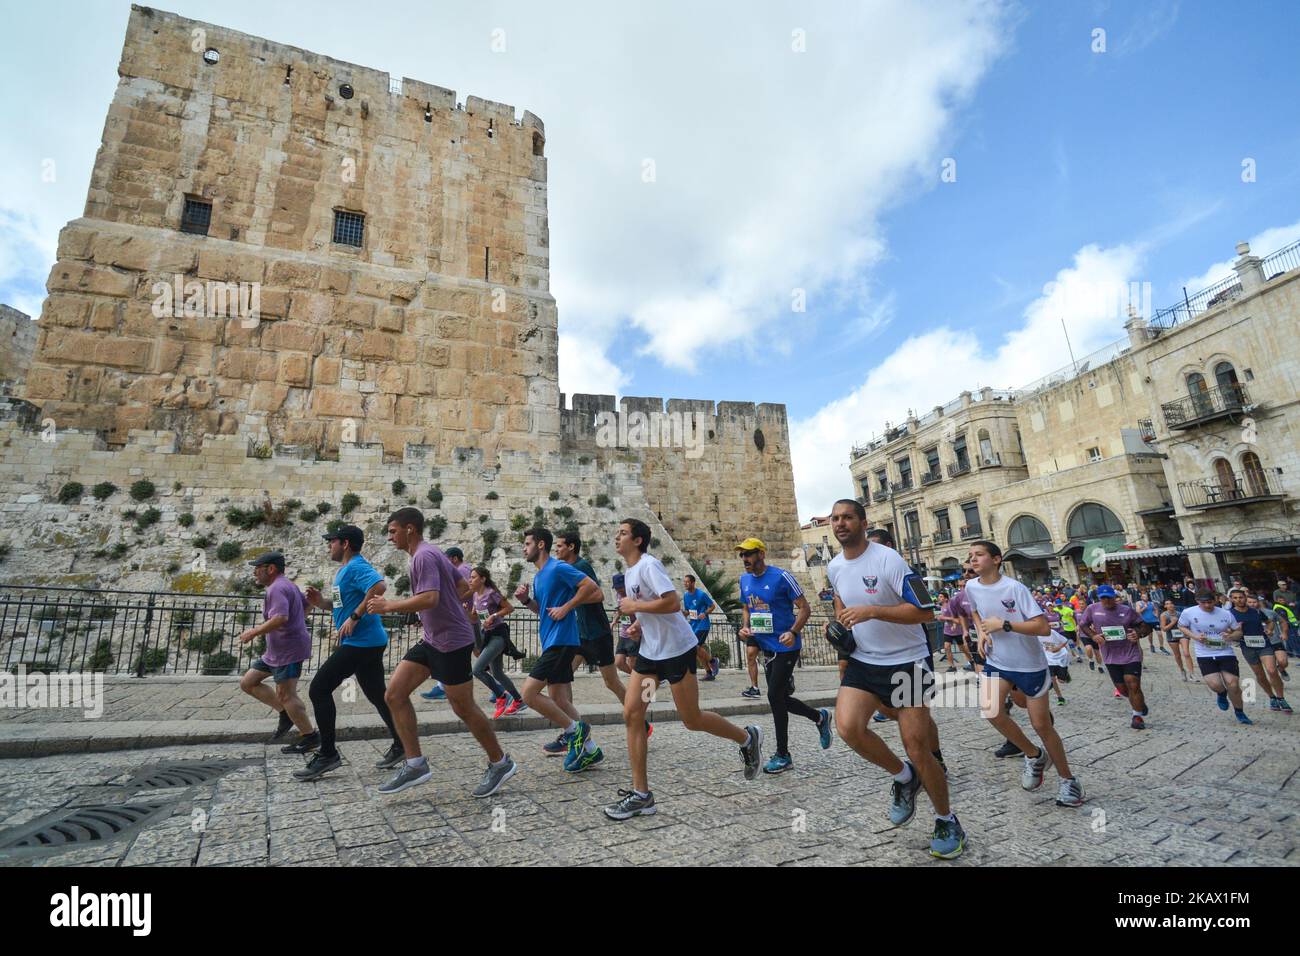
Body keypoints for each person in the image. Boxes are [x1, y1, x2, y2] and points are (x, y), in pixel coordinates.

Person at [825, 499, 963, 858]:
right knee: (849, 729)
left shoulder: (889, 560)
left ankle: (946, 819)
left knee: (917, 746)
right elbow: (841, 602)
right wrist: (841, 626)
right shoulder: (835, 565)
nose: (840, 524)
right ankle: (904, 778)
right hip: (863, 661)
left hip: (908, 663)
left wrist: (873, 611)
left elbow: (924, 612)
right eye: (835, 518)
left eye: (847, 518)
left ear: (863, 522)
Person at [604, 518, 762, 820]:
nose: (617, 537)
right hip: (651, 652)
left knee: (692, 718)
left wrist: (635, 608)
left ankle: (747, 737)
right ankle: (642, 795)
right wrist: (639, 624)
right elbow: (652, 606)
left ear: (637, 540)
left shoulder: (649, 565)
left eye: (623, 533)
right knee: (632, 712)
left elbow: (672, 603)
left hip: (677, 650)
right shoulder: (631, 570)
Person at [367, 508, 517, 796]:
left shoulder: (423, 555)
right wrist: (450, 605)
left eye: (392, 530)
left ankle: (500, 763)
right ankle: (415, 764)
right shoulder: (430, 553)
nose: (389, 537)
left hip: (451, 642)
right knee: (394, 694)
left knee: (463, 708)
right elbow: (462, 587)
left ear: (410, 529)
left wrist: (389, 606)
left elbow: (430, 597)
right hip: (432, 639)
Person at [964, 540, 1084, 808]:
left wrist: (1004, 625)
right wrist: (982, 631)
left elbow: (1042, 627)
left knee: (1042, 725)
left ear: (996, 559)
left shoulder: (1015, 588)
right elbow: (974, 612)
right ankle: (1033, 755)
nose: (973, 560)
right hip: (998, 661)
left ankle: (1068, 780)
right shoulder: (971, 587)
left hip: (1029, 664)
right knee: (991, 710)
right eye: (970, 556)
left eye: (979, 555)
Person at [297, 526, 403, 780]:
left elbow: (379, 585)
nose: (328, 546)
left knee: (319, 689)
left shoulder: (356, 566)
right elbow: (336, 605)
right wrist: (319, 602)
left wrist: (355, 617)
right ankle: (402, 744)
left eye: (331, 542)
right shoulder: (343, 572)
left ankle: (328, 754)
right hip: (366, 641)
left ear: (345, 543)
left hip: (362, 642)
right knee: (379, 695)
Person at [734, 536, 832, 774]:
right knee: (779, 698)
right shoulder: (744, 580)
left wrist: (793, 631)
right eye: (742, 555)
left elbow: (805, 608)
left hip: (786, 645)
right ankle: (819, 717)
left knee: (775, 696)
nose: (744, 559)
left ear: (761, 554)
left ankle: (783, 754)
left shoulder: (781, 577)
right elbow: (747, 606)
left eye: (748, 553)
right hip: (765, 645)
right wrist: (745, 626)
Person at [513, 527, 606, 772]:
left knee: (528, 694)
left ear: (541, 545)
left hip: (562, 641)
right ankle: (591, 750)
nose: (524, 548)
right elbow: (542, 610)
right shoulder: (539, 575)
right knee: (560, 699)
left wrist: (567, 607)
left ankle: (575, 731)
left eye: (528, 543)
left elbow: (591, 587)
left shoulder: (558, 567)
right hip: (552, 640)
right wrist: (526, 601)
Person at [237, 551, 315, 749]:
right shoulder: (287, 584)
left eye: (258, 568)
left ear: (270, 569)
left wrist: (253, 632)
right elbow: (308, 605)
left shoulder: (277, 588)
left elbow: (280, 618)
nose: (255, 573)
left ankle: (310, 736)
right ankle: (285, 713)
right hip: (276, 651)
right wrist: (297, 623)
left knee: (287, 695)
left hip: (288, 651)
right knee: (248, 682)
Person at [1077, 584, 1152, 730]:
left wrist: (1138, 633)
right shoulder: (1092, 610)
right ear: (1099, 599)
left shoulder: (1126, 610)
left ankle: (1137, 716)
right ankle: (1140, 705)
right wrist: (1094, 636)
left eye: (1109, 597)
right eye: (1103, 598)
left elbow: (1145, 627)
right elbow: (1083, 625)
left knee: (1133, 683)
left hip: (1130, 653)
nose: (1106, 600)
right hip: (1110, 655)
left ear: (1114, 597)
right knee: (1123, 690)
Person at [1178, 588, 1251, 724]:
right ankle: (1221, 693)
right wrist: (1194, 636)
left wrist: (1230, 636)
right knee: (1215, 684)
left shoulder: (1226, 614)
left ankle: (1240, 712)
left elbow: (1238, 632)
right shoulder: (1188, 612)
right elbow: (1181, 626)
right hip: (1204, 654)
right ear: (1197, 601)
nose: (1207, 605)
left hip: (1225, 652)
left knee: (1233, 684)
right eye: (1203, 603)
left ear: (1215, 600)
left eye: (1210, 602)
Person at [467, 566, 526, 719]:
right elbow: (474, 618)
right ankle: (519, 700)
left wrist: (493, 615)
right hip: (487, 636)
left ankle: (501, 696)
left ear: (483, 579)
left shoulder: (492, 594)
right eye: (470, 577)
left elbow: (509, 608)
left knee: (477, 670)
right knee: (497, 673)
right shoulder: (475, 596)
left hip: (498, 636)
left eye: (473, 577)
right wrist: (468, 612)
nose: (470, 580)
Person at [420, 546, 473, 700]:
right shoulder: (467, 569)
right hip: (465, 618)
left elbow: (461, 591)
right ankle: (441, 687)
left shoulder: (461, 570)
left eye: (446, 559)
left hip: (460, 619)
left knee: (477, 654)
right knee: (475, 653)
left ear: (454, 559)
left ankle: (497, 687)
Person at [1232, 590, 1292, 715]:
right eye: (1235, 598)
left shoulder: (1256, 611)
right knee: (1260, 675)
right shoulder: (1230, 614)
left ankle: (1281, 698)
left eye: (1241, 597)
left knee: (1271, 670)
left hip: (1264, 644)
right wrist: (1233, 632)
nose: (1239, 600)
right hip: (1247, 647)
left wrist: (1269, 630)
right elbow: (1226, 630)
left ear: (1245, 598)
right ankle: (1272, 697)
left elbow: (1269, 622)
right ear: (1232, 599)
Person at [681, 574, 720, 680]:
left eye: (687, 582)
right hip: (693, 625)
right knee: (696, 650)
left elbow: (712, 606)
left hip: (703, 625)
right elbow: (688, 610)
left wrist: (705, 613)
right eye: (684, 582)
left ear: (693, 583)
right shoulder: (685, 595)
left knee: (695, 647)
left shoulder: (701, 594)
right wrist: (682, 613)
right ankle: (709, 673)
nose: (685, 583)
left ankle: (713, 661)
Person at [1160, 599, 1195, 682]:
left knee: (1186, 653)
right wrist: (1172, 622)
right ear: (1165, 606)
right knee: (1177, 655)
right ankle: (1182, 670)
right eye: (1167, 604)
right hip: (1171, 636)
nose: (1170, 605)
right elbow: (1164, 629)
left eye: (1171, 603)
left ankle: (1192, 673)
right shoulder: (1164, 615)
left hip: (1183, 635)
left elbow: (1187, 625)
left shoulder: (1180, 613)